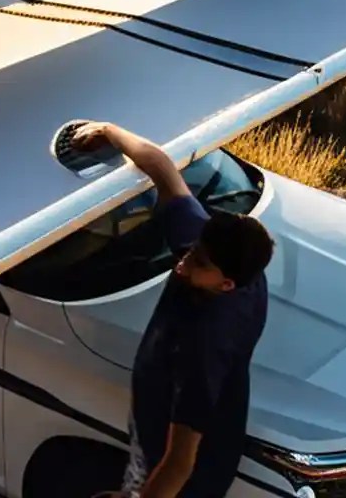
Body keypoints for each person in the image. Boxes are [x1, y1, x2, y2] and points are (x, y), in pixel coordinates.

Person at [72, 121, 274, 498]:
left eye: (198, 265)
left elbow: (180, 463)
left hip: (184, 480)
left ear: (226, 284)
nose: (182, 266)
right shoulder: (218, 254)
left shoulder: (205, 346)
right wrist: (110, 133)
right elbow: (163, 170)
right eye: (192, 254)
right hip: (164, 432)